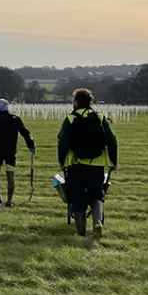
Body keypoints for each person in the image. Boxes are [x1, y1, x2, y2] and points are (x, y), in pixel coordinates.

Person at [57, 89, 118, 239]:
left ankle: (81, 231)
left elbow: (62, 142)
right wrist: (114, 161)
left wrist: (61, 161)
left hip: (75, 164)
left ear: (76, 102)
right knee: (96, 193)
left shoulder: (71, 119)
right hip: (97, 164)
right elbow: (112, 140)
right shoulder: (100, 118)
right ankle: (97, 222)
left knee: (76, 194)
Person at [0, 99, 36, 208]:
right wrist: (31, 145)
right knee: (10, 175)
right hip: (11, 151)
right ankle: (9, 201)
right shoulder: (15, 119)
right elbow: (25, 133)